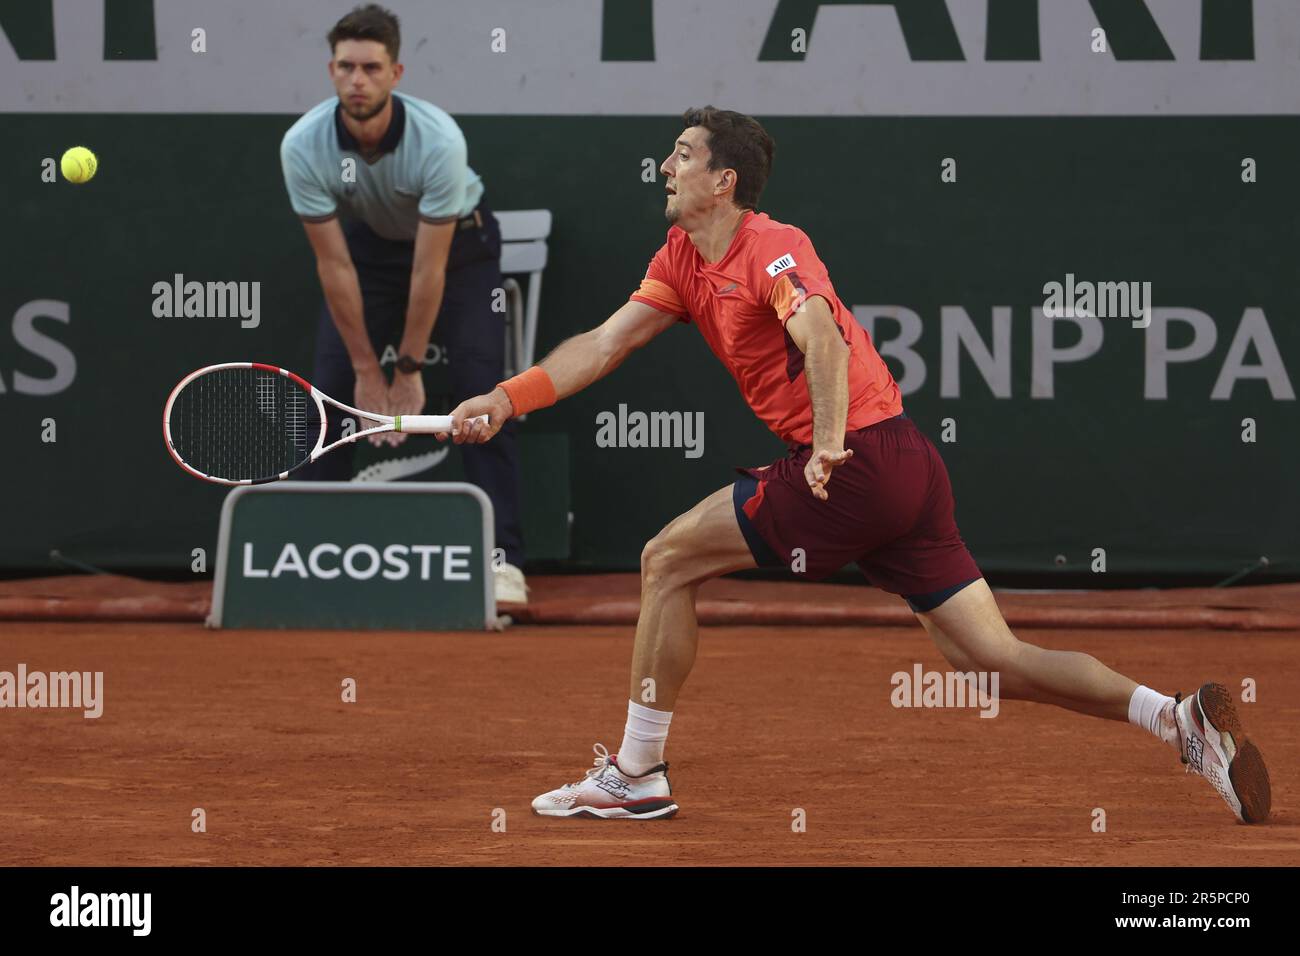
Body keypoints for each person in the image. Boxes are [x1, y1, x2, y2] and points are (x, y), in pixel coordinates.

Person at [447, 106, 1271, 823]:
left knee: (665, 560)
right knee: (992, 662)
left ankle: (636, 773)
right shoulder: (680, 258)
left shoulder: (772, 246)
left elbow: (823, 340)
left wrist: (830, 443)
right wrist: (508, 398)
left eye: (684, 154)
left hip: (855, 463)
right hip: (903, 465)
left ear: (724, 179)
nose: (666, 166)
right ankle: (1176, 720)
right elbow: (605, 342)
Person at [280, 4, 527, 603]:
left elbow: (429, 265)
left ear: (396, 72)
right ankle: (311, 558)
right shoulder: (304, 145)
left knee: (480, 394)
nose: (356, 80)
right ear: (331, 70)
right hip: (368, 248)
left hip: (460, 250)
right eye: (345, 67)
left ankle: (503, 563)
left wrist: (408, 369)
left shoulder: (437, 139)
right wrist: (367, 371)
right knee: (332, 395)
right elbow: (334, 265)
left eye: (370, 67)